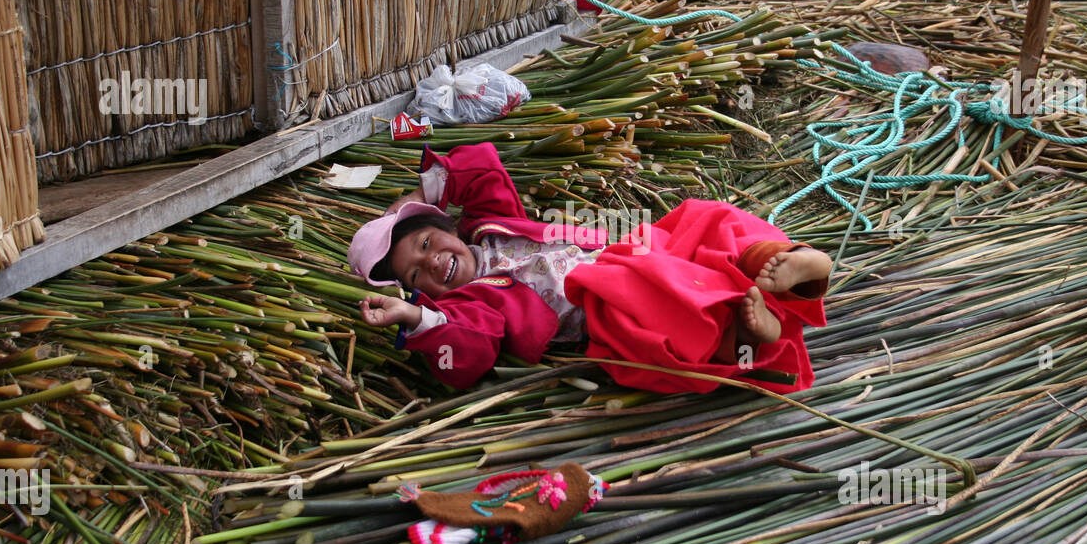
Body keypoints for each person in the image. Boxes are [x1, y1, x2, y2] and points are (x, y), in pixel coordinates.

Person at [347, 142, 831, 394]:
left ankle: (789, 269)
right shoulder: (469, 305)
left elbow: (482, 169)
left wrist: (418, 196)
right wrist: (414, 318)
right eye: (416, 275)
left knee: (703, 222)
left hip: (627, 250)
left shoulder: (486, 225)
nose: (434, 261)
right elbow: (466, 356)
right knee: (665, 313)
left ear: (446, 226)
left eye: (428, 242)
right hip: (600, 308)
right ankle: (746, 338)